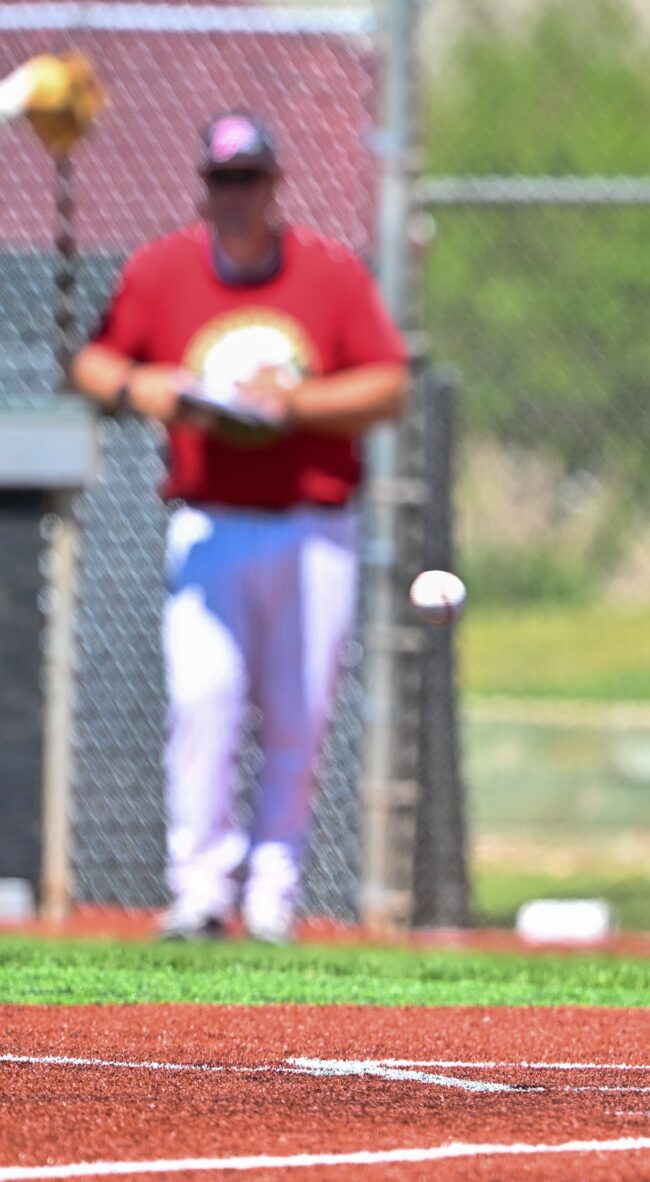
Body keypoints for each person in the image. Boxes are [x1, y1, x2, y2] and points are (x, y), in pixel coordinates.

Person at [71, 112, 408, 943]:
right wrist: (140, 389)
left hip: (314, 523)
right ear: (205, 186)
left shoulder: (326, 274)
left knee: (298, 715)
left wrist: (292, 402)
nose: (235, 196)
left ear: (273, 185)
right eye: (222, 181)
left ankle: (271, 899)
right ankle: (198, 892)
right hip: (210, 520)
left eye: (249, 179)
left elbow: (388, 386)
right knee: (203, 705)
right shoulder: (163, 270)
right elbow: (95, 360)